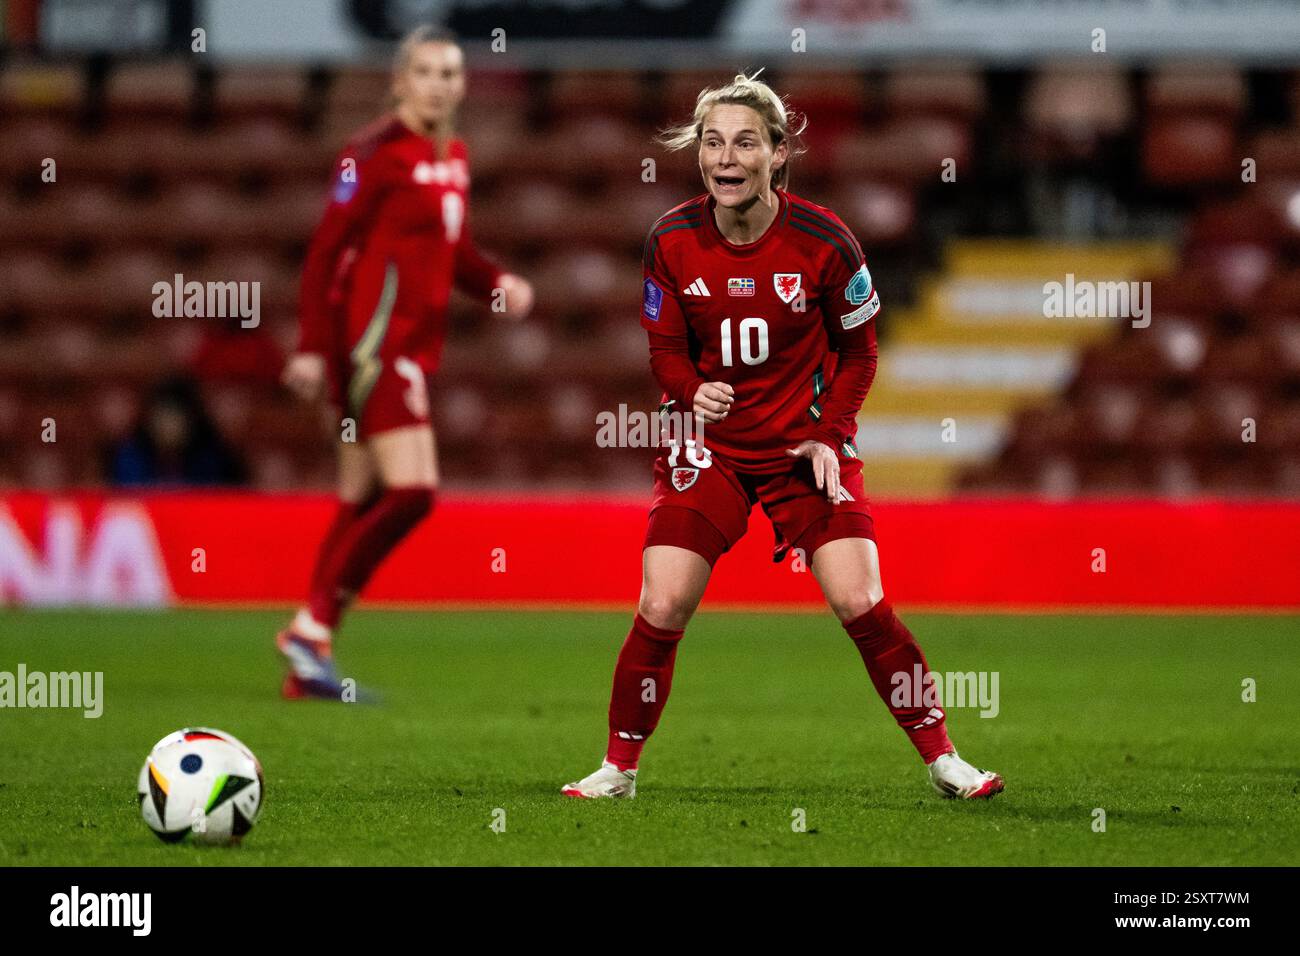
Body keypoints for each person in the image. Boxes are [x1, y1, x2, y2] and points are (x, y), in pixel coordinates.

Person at [562, 72, 1003, 799]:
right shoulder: (671, 239)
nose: (724, 158)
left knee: (861, 600)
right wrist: (686, 390)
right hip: (712, 452)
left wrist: (832, 435)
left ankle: (945, 759)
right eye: (711, 143)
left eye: (743, 142)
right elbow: (665, 351)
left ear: (777, 153)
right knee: (662, 604)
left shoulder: (827, 241)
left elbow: (860, 350)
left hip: (804, 452)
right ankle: (619, 767)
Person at [277, 26, 533, 700]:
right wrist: (310, 345)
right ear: (399, 80)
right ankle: (311, 627)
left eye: (450, 72)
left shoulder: (453, 156)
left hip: (413, 347)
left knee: (359, 495)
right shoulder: (371, 154)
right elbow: (324, 253)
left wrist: (496, 282)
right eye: (425, 71)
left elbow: (454, 251)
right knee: (415, 492)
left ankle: (311, 658)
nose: (439, 83)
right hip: (373, 347)